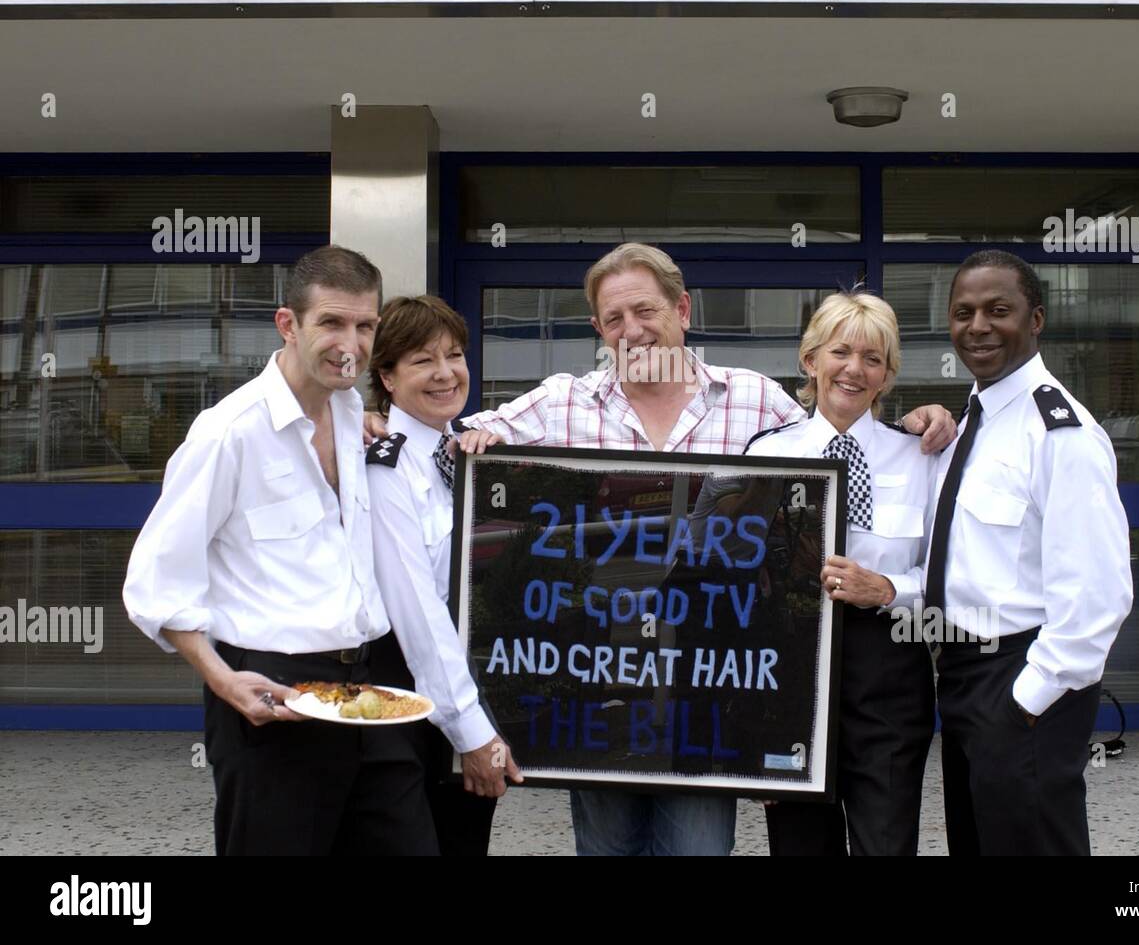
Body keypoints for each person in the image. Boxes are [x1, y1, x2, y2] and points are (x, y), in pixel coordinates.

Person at [446, 242, 958, 857]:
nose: (632, 330)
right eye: (614, 319)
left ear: (682, 309)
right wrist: (388, 426)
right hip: (597, 671)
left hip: (708, 681)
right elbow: (461, 440)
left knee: (700, 847)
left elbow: (838, 411)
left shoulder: (756, 402)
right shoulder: (562, 401)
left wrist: (926, 417)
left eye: (645, 310)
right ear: (598, 330)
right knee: (607, 846)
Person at [122, 246, 437, 856]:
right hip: (271, 698)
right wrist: (222, 680)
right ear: (288, 325)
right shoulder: (228, 432)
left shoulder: (352, 413)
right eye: (332, 323)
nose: (351, 343)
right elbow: (154, 581)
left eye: (365, 325)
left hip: (370, 694)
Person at [926, 249, 1133, 856]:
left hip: (1022, 679)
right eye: (963, 312)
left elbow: (1098, 596)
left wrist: (1024, 702)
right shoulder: (974, 422)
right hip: (964, 677)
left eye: (999, 310)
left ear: (1036, 319)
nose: (978, 327)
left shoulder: (1060, 433)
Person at [746, 290, 937, 856]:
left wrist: (890, 589)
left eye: (873, 359)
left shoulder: (922, 455)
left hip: (888, 674)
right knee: (801, 846)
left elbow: (952, 572)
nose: (855, 369)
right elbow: (743, 583)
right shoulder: (765, 456)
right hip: (791, 668)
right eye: (841, 352)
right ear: (811, 361)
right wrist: (755, 723)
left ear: (886, 375)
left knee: (886, 844)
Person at [364, 294, 524, 856]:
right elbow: (419, 612)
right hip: (409, 708)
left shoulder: (474, 458)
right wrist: (471, 733)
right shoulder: (385, 468)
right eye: (421, 361)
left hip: (470, 687)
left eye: (454, 355)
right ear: (385, 375)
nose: (444, 373)